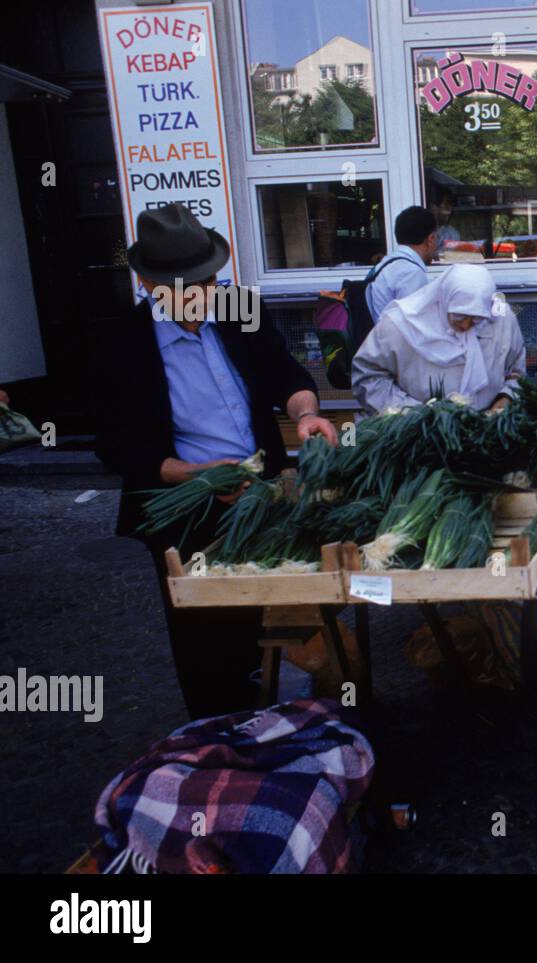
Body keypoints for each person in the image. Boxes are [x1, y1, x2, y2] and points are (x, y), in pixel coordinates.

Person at [93, 203, 338, 720]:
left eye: (203, 284)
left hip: (259, 494)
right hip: (182, 509)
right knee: (204, 639)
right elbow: (117, 446)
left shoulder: (238, 311)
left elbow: (285, 376)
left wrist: (307, 413)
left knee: (263, 617)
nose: (195, 299)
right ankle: (216, 734)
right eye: (178, 289)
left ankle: (271, 717)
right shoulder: (122, 344)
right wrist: (196, 477)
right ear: (145, 281)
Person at [352, 263, 526, 415]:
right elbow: (369, 377)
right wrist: (410, 412)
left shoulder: (502, 321)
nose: (465, 326)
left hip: (486, 431)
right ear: (444, 300)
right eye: (459, 316)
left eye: (476, 319)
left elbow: (516, 372)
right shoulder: (399, 326)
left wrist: (506, 397)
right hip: (418, 433)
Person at [365, 206, 438, 321]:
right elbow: (414, 325)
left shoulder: (389, 263)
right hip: (394, 338)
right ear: (431, 239)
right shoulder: (410, 272)